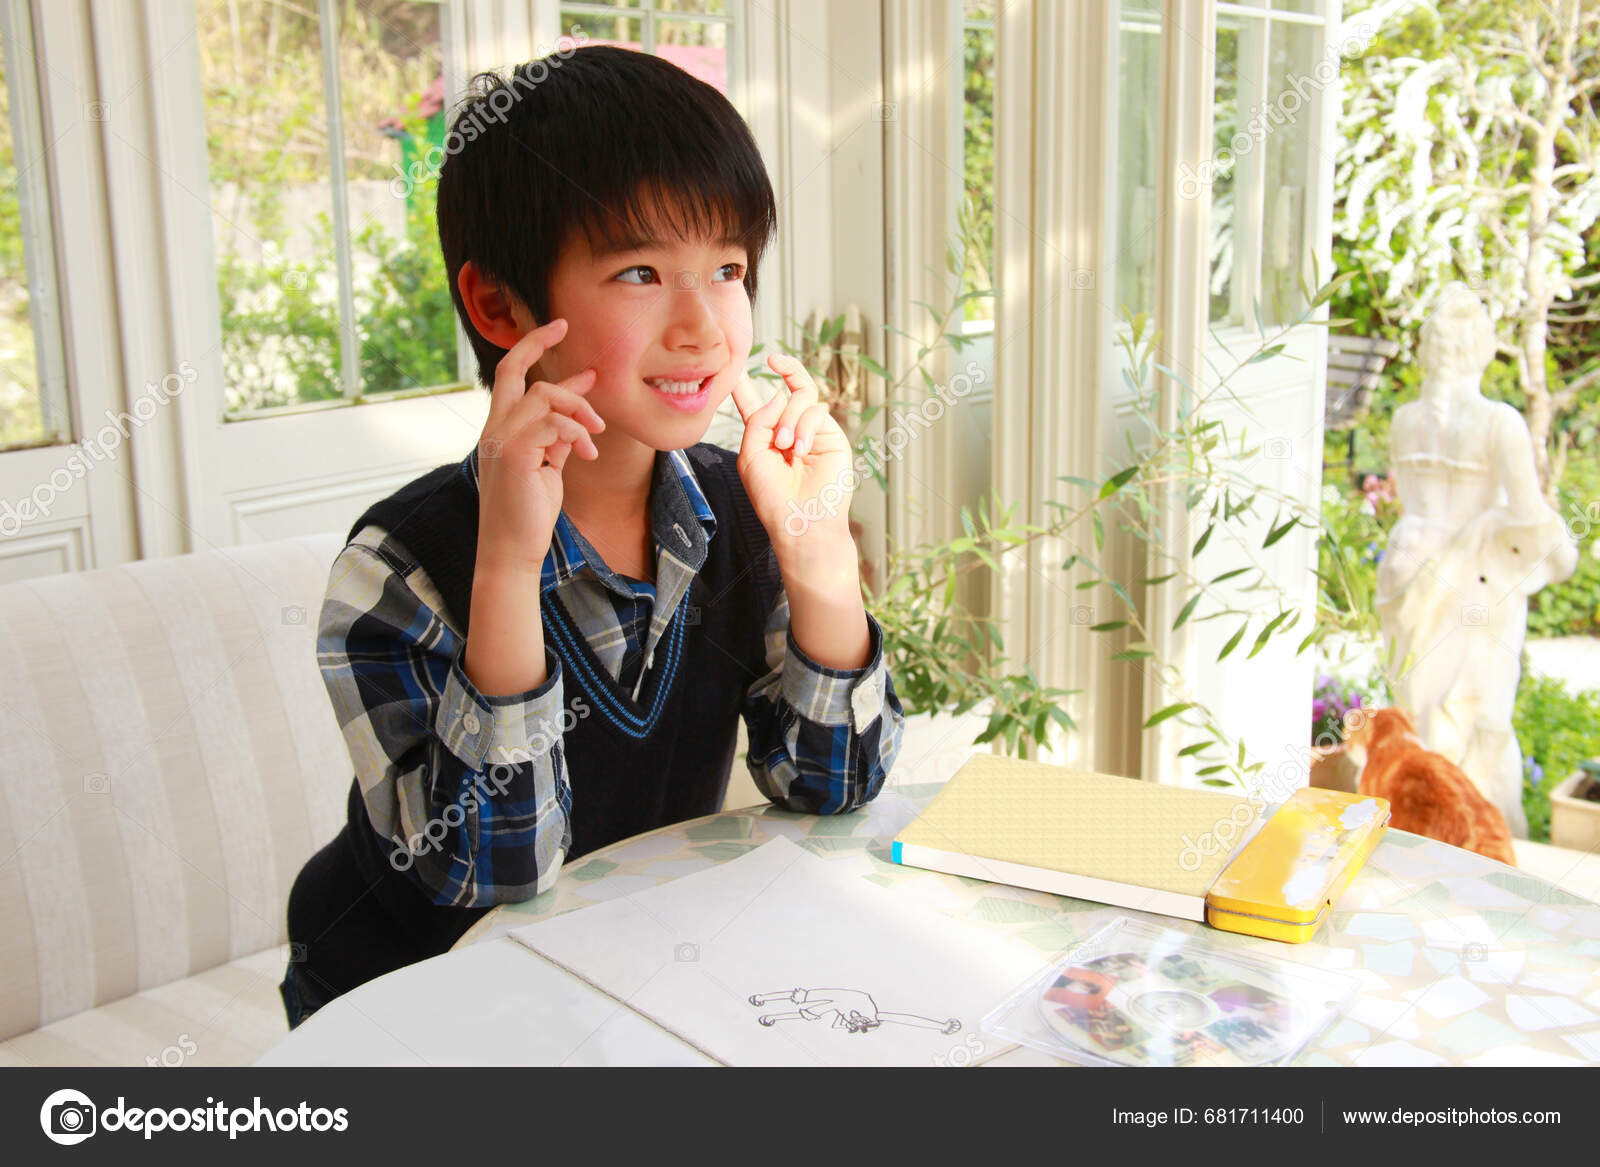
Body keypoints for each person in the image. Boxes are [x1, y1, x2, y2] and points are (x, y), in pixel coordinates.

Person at [279, 46, 905, 1029]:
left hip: (625, 978)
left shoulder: (736, 505)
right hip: (410, 1005)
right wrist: (507, 563)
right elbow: (495, 866)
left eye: (728, 269)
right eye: (642, 272)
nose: (703, 326)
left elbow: (832, 783)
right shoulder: (397, 567)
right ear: (500, 305)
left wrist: (817, 551)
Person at [1376, 282, 1577, 838]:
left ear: (1426, 349)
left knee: (1420, 710)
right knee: (1478, 719)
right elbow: (1530, 517)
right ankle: (1480, 841)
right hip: (1474, 582)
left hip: (1408, 568)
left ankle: (1423, 828)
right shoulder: (1499, 423)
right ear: (1484, 349)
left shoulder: (1404, 420)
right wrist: (1563, 551)